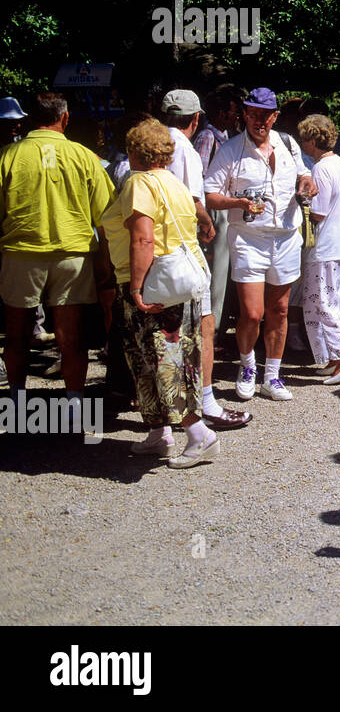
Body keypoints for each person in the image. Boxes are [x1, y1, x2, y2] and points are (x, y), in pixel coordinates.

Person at [97, 118, 219, 467]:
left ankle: (199, 435)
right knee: (151, 361)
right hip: (176, 286)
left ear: (134, 150)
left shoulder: (139, 183)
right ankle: (158, 431)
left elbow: (143, 238)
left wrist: (135, 287)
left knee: (160, 360)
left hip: (150, 285)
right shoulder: (174, 183)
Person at [0, 92, 114, 422]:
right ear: (64, 119)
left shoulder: (8, 156)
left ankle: (17, 403)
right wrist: (105, 263)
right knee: (71, 336)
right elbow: (106, 218)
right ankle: (75, 407)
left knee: (17, 333)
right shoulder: (85, 156)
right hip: (74, 256)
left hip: (21, 254)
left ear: (28, 119)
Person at [203, 88, 317, 402]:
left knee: (279, 310)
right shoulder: (230, 149)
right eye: (252, 113)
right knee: (252, 313)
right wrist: (237, 201)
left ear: (275, 116)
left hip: (285, 238)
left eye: (265, 115)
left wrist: (307, 185)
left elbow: (306, 177)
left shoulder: (290, 144)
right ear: (244, 114)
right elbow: (209, 193)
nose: (259, 121)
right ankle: (248, 366)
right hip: (248, 239)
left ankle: (273, 376)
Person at [161, 90, 247, 430]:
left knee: (169, 328)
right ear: (196, 119)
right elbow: (195, 199)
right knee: (203, 323)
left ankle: (168, 413)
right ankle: (205, 402)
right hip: (183, 244)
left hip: (159, 245)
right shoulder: (188, 148)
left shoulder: (152, 144)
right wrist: (208, 223)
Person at [297, 114, 340, 383]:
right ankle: (338, 357)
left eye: (304, 139)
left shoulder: (320, 169)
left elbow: (318, 212)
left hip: (326, 246)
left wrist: (301, 202)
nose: (302, 145)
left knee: (321, 303)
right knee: (338, 303)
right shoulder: (339, 164)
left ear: (313, 140)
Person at [193, 85, 243, 350]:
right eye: (234, 111)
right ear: (222, 113)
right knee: (219, 272)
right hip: (216, 208)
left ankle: (220, 326)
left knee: (228, 270)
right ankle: (211, 331)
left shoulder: (227, 137)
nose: (236, 117)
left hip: (227, 206)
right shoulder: (208, 137)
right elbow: (201, 177)